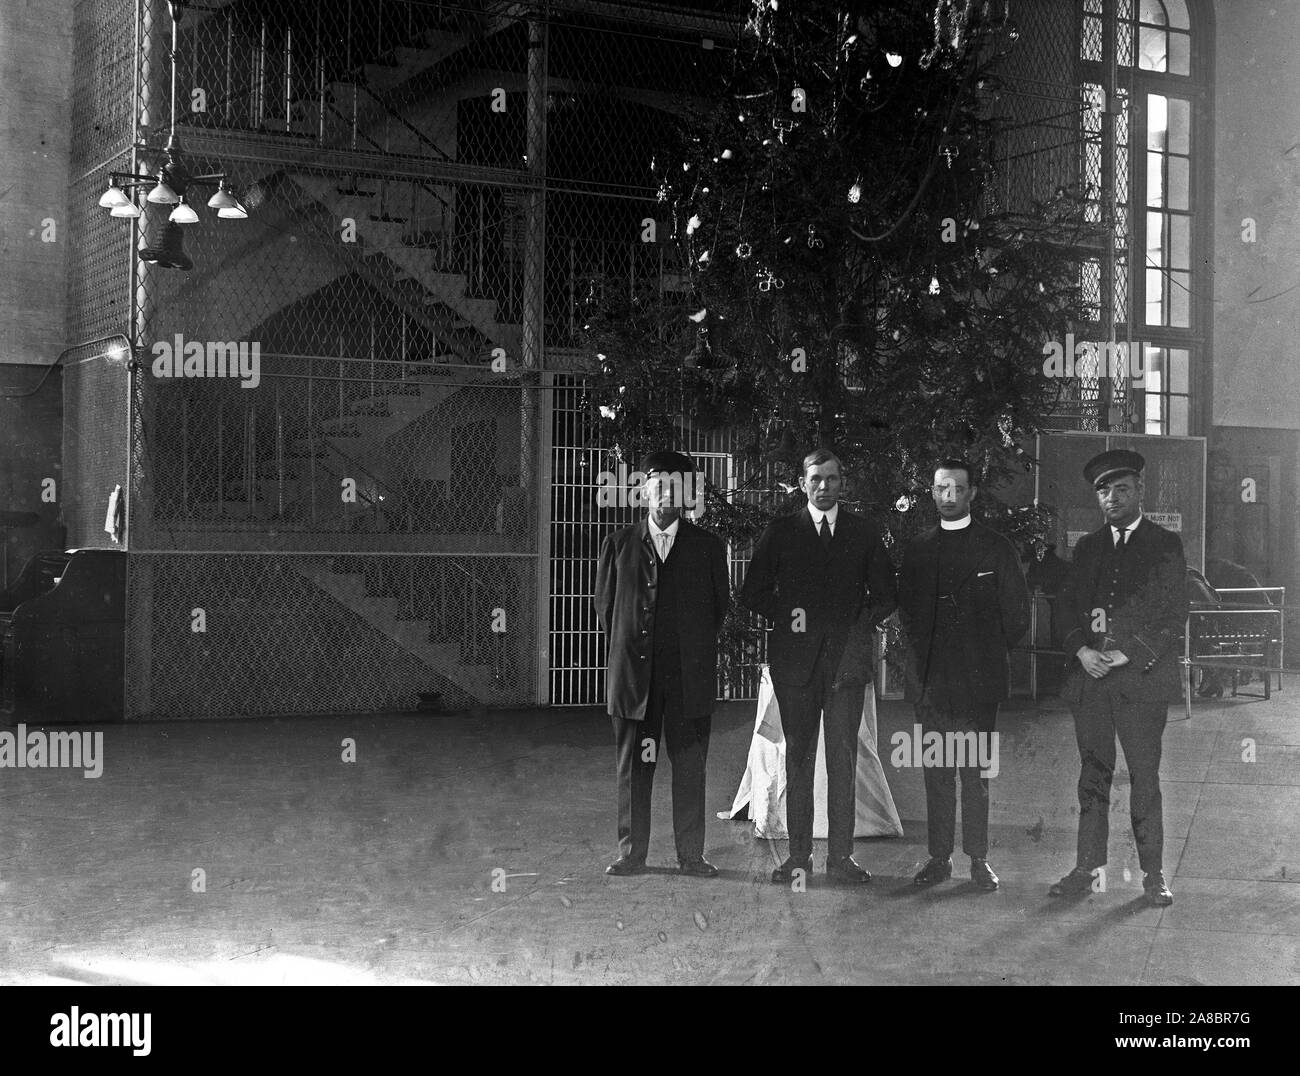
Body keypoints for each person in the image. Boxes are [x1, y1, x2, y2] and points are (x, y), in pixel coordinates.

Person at [739, 448, 897, 885]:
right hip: (796, 668)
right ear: (802, 482)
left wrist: (858, 624)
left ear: (842, 482)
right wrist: (790, 618)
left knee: (843, 762)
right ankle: (798, 858)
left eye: (831, 478)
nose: (823, 486)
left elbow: (887, 594)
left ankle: (842, 859)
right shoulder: (782, 531)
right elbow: (751, 592)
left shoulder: (863, 533)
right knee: (800, 761)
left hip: (846, 667)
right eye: (815, 478)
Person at [1050, 449, 1187, 906]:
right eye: (1104, 491)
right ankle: (1086, 867)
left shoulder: (1165, 544)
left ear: (1140, 491)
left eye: (1121, 488)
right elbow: (1066, 607)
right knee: (1093, 776)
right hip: (1091, 682)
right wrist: (1082, 649)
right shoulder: (1087, 547)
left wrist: (1130, 653)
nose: (1112, 497)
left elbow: (1174, 613)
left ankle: (1153, 875)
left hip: (1142, 683)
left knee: (1145, 778)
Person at [594, 449, 730, 878]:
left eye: (678, 486)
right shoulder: (618, 545)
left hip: (687, 681)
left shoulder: (708, 548)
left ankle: (691, 855)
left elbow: (718, 610)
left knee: (689, 767)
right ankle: (632, 853)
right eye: (659, 484)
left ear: (689, 496)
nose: (667, 493)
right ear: (644, 489)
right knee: (636, 767)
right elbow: (607, 610)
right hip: (636, 681)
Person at [898, 459, 1030, 892]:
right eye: (940, 488)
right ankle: (939, 859)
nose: (948, 496)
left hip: (978, 683)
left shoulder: (996, 548)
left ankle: (978, 859)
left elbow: (1016, 614)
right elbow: (910, 616)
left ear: (973, 492)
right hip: (933, 683)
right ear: (931, 492)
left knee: (974, 774)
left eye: (957, 488)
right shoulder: (918, 549)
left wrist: (985, 656)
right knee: (937, 773)